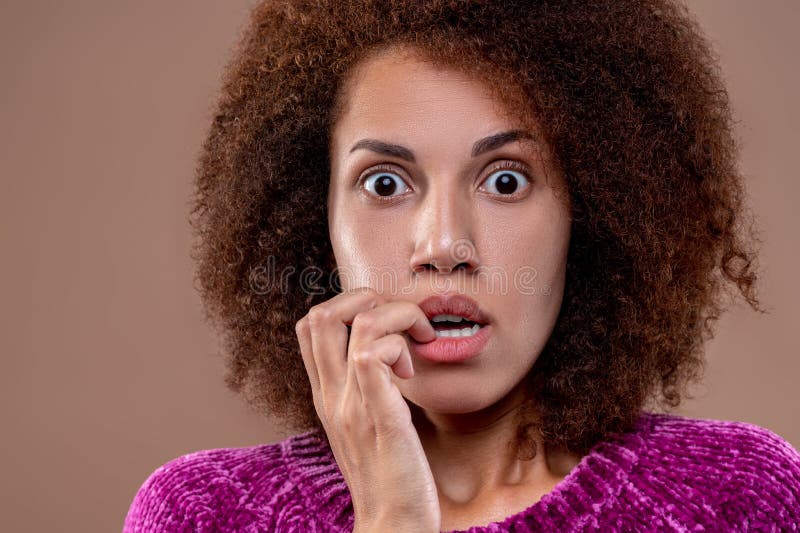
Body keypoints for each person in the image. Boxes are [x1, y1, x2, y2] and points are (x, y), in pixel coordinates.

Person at [123, 0, 800, 531]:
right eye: (385, 183)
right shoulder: (198, 515)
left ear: (591, 211)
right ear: (313, 217)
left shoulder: (743, 500)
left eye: (505, 181)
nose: (445, 244)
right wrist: (391, 520)